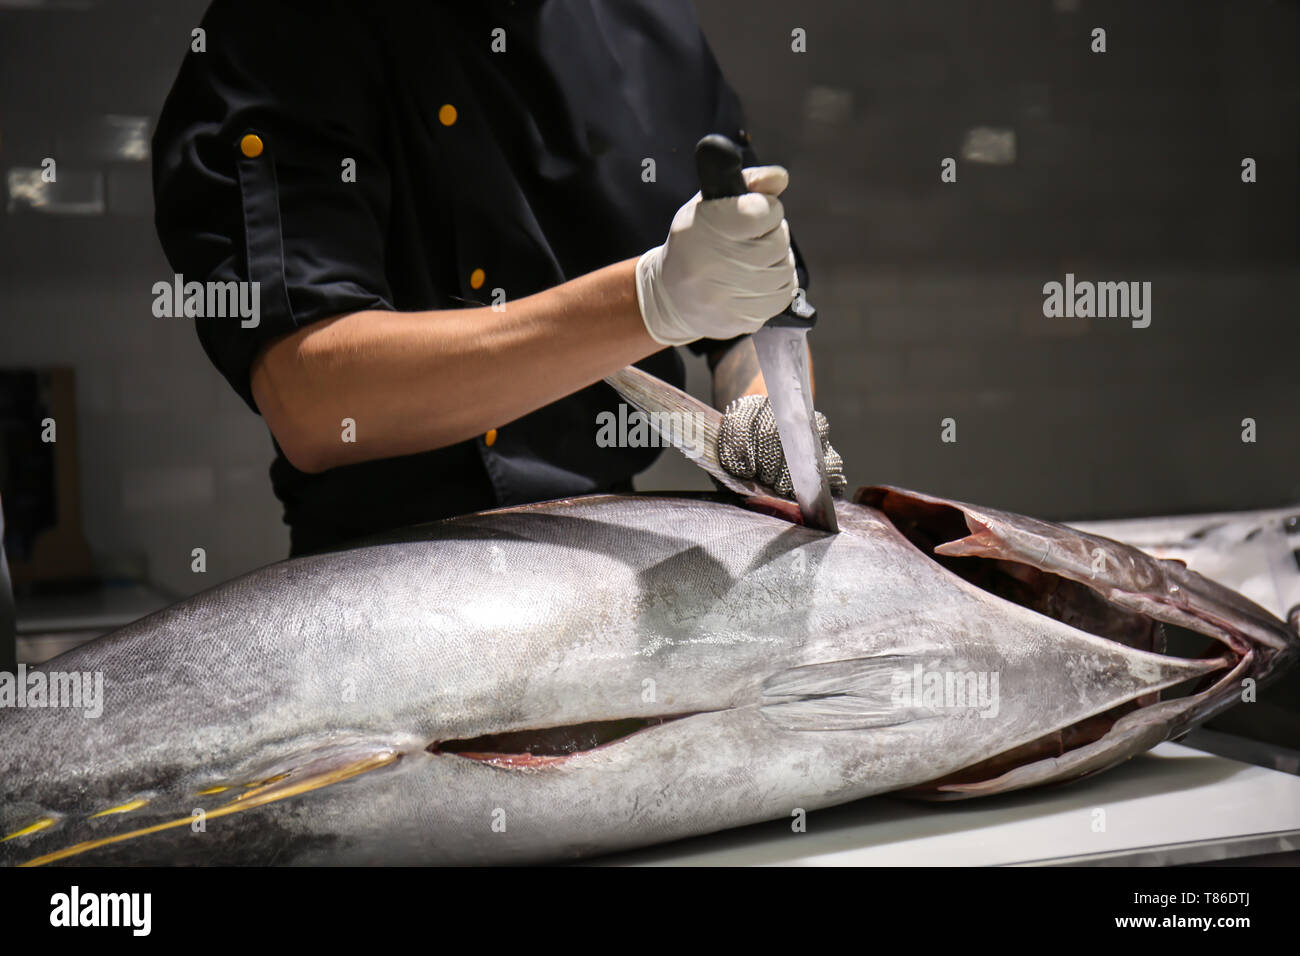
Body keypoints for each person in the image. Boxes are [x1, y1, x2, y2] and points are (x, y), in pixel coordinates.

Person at [153, 0, 842, 557]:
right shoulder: (288, 28)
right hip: (381, 591)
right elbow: (314, 403)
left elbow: (757, 301)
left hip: (623, 570)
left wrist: (763, 410)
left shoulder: (650, 24)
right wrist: (651, 301)